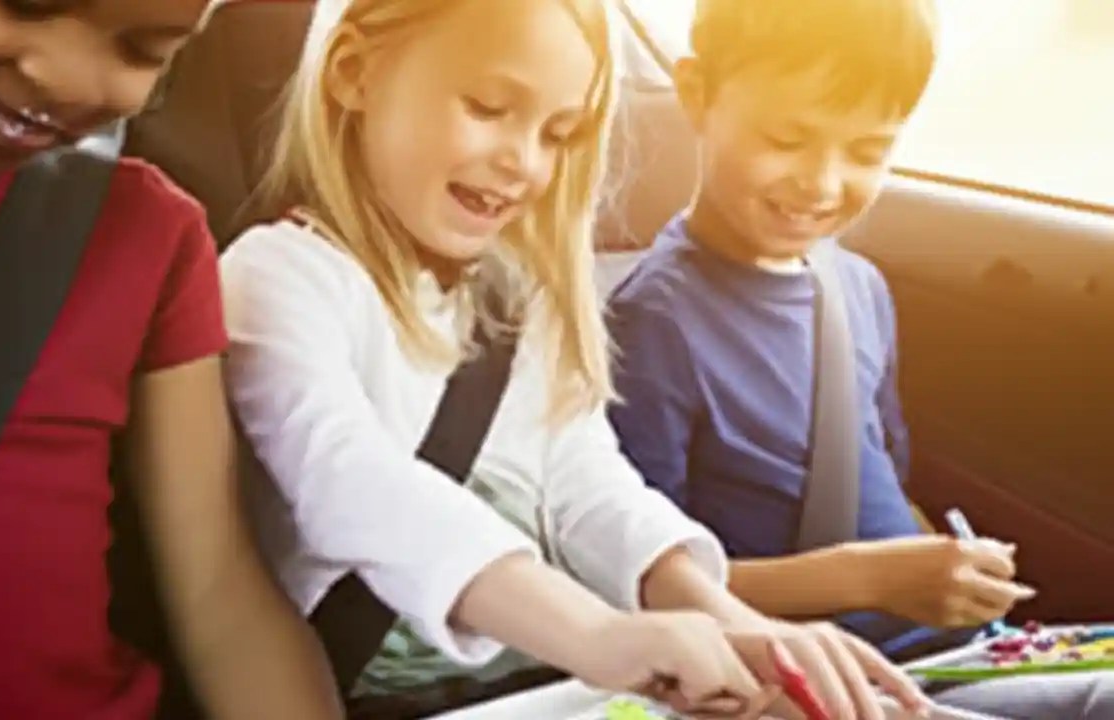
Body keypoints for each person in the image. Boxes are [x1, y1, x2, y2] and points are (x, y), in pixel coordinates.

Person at [220, 0, 930, 718]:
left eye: (558, 134)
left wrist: (729, 620)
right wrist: (597, 634)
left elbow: (586, 484)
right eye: (489, 107)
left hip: (557, 689)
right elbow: (353, 484)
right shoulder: (277, 276)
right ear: (352, 74)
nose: (523, 162)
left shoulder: (517, 298)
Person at [606, 0, 1114, 716]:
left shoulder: (856, 284)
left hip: (959, 653)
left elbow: (891, 471)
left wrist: (945, 566)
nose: (821, 182)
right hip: (816, 682)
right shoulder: (652, 326)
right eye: (787, 138)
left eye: (867, 151)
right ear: (696, 97)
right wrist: (867, 580)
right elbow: (638, 580)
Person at [0, 0, 339, 717]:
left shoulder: (142, 233)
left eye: (144, 49)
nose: (71, 80)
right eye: (28, 5)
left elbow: (217, 593)